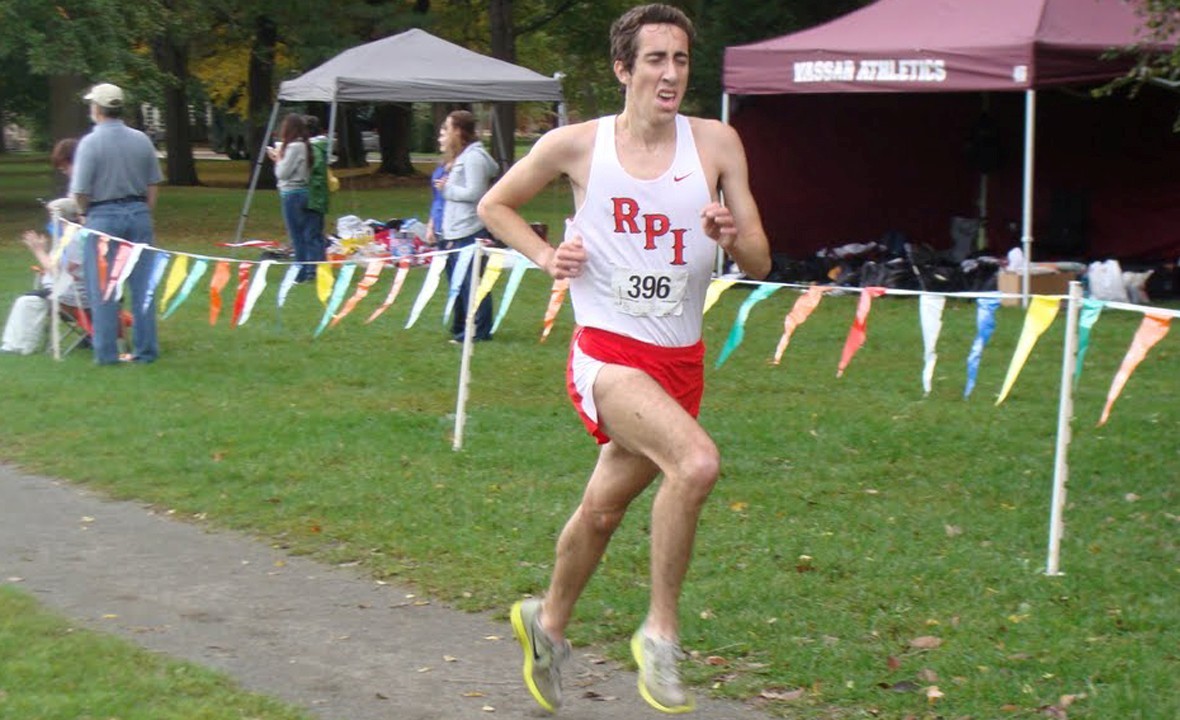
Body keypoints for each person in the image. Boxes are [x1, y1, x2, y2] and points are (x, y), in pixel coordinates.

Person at [477, 4, 771, 714]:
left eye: (680, 60)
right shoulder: (578, 146)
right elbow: (496, 205)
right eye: (655, 60)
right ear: (623, 69)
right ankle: (661, 638)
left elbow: (761, 258)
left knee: (603, 513)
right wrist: (551, 255)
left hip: (680, 361)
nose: (670, 74)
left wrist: (730, 235)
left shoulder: (718, 144)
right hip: (606, 352)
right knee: (696, 463)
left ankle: (546, 627)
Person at [70, 82, 163, 365]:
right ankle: (146, 350)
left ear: (97, 109)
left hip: (102, 215)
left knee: (104, 288)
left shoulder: (90, 143)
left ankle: (107, 353)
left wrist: (85, 214)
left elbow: (80, 192)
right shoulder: (141, 140)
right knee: (143, 286)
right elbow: (153, 184)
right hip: (138, 213)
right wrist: (142, 211)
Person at [438, 110, 498, 342]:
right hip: (455, 229)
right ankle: (461, 327)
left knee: (472, 284)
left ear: (459, 131)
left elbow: (476, 193)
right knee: (458, 284)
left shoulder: (473, 158)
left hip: (470, 230)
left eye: (447, 127)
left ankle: (479, 331)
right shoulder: (462, 157)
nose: (443, 132)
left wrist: (447, 190)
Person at [267, 113, 318, 282]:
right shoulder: (304, 145)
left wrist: (277, 158)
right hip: (304, 192)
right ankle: (310, 269)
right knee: (307, 234)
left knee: (297, 235)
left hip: (292, 194)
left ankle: (301, 272)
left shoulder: (294, 147)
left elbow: (282, 173)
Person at [304, 114, 330, 260]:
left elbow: (315, 168)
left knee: (311, 233)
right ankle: (318, 261)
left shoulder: (314, 148)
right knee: (314, 232)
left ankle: (314, 265)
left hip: (314, 196)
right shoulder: (318, 146)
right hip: (317, 195)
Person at [424, 120, 454, 247]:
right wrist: (431, 226)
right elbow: (436, 198)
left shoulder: (461, 165)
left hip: (453, 227)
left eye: (443, 136)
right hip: (438, 225)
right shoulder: (442, 165)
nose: (439, 139)